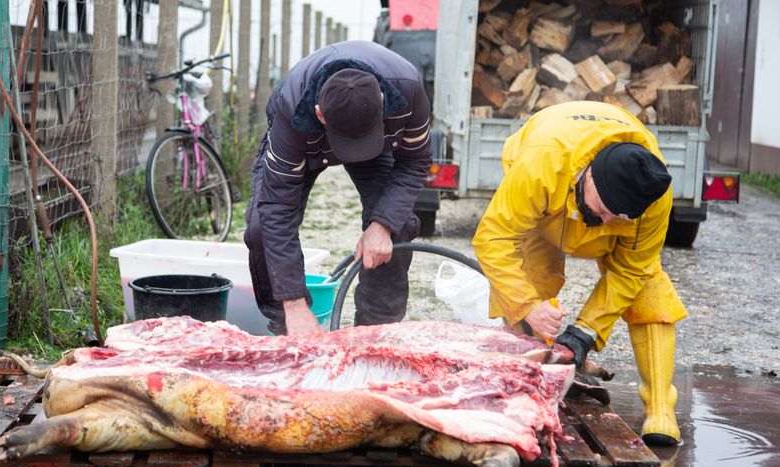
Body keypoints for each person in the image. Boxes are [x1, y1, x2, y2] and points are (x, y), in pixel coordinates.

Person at [472, 101, 687, 446]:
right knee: (531, 277)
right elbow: (493, 238)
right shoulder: (540, 163)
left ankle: (661, 404)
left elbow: (632, 270)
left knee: (650, 291)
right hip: (549, 207)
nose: (606, 223)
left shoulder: (653, 196)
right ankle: (531, 383)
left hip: (595, 196)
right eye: (603, 209)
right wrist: (528, 306)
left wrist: (584, 333)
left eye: (619, 216)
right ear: (589, 174)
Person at [244, 41, 432, 337]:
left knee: (398, 226)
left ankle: (374, 332)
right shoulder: (292, 108)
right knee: (260, 228)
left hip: (377, 148)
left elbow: (415, 162)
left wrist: (382, 225)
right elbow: (278, 206)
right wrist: (293, 304)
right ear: (320, 114)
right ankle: (288, 327)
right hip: (305, 143)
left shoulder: (408, 90)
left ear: (383, 102)